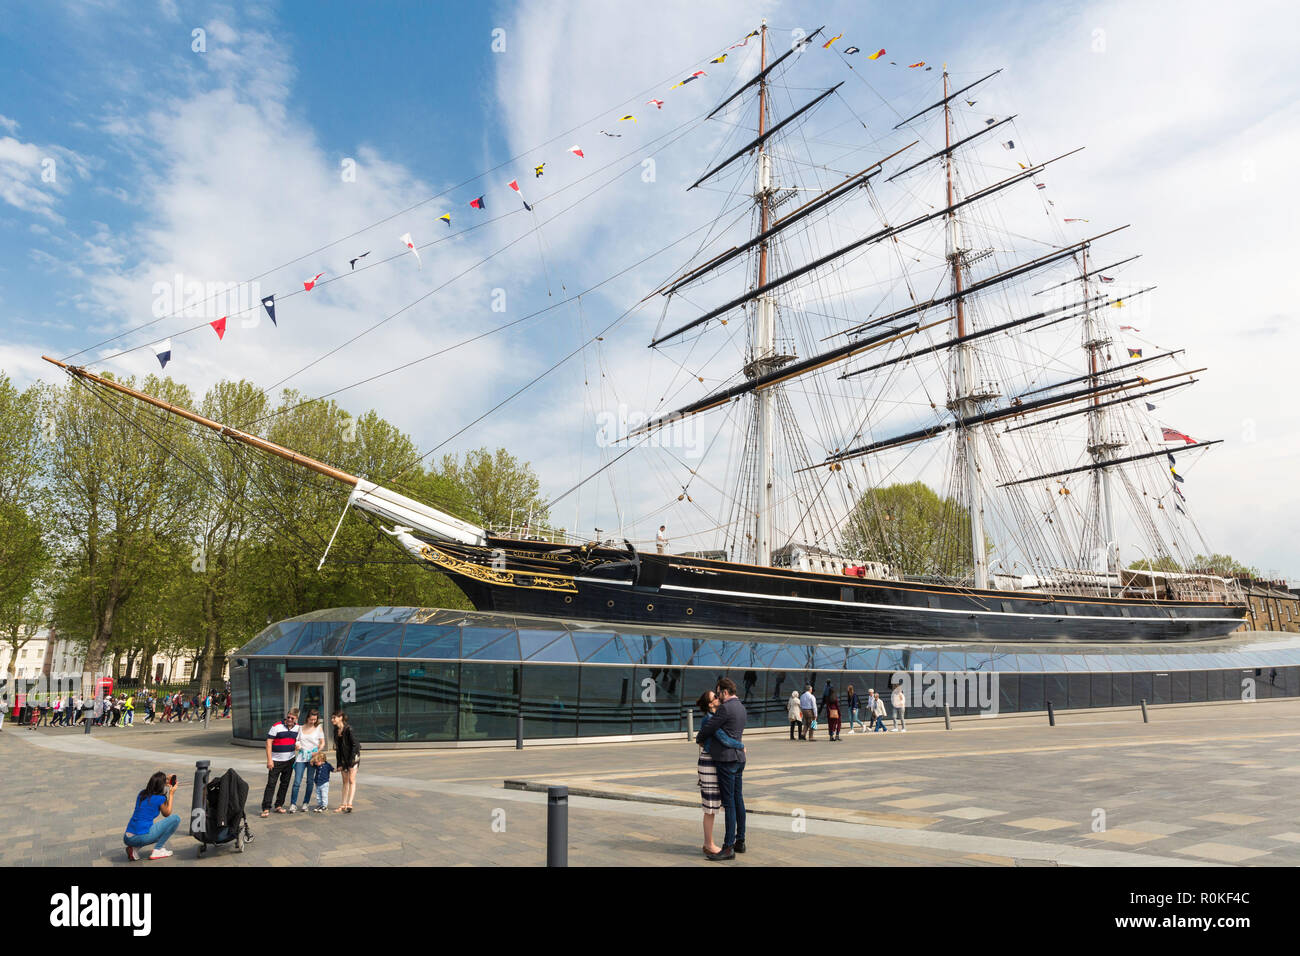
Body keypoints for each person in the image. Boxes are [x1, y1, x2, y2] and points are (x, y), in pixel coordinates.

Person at [697, 678, 746, 860]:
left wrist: (738, 745)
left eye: (718, 694)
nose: (718, 698)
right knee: (737, 799)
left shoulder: (724, 709)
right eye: (714, 697)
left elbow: (719, 738)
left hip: (727, 760)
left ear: (724, 692)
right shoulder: (740, 706)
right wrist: (740, 746)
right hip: (736, 759)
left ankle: (729, 847)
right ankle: (740, 840)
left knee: (730, 802)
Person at [122, 770, 181, 861]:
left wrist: (167, 778)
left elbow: (158, 783)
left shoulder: (141, 794)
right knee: (175, 819)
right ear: (162, 786)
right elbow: (167, 813)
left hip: (128, 837)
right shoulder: (160, 798)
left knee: (147, 828)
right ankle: (158, 849)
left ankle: (134, 849)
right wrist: (171, 794)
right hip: (140, 837)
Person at [261, 708, 300, 817]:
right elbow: (268, 743)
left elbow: (299, 741)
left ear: (296, 719)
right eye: (288, 717)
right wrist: (269, 760)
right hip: (276, 761)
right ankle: (266, 808)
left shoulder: (298, 728)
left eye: (292, 718)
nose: (289, 719)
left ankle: (279, 805)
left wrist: (298, 745)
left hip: (290, 760)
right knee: (271, 784)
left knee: (284, 784)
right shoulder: (276, 726)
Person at [289, 709, 326, 813]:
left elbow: (322, 742)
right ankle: (293, 804)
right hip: (301, 757)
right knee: (297, 782)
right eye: (311, 719)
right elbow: (297, 741)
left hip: (312, 758)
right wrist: (297, 746)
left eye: (315, 719)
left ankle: (306, 803)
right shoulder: (300, 728)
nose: (313, 721)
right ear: (307, 718)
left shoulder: (318, 728)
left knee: (310, 781)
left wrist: (318, 751)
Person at [331, 711, 360, 813]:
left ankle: (349, 804)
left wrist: (351, 761)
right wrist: (339, 763)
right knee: (345, 782)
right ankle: (343, 804)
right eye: (332, 718)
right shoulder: (336, 730)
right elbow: (338, 749)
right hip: (343, 759)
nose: (332, 720)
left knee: (351, 780)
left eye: (334, 718)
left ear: (340, 717)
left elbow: (355, 745)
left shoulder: (349, 729)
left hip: (353, 758)